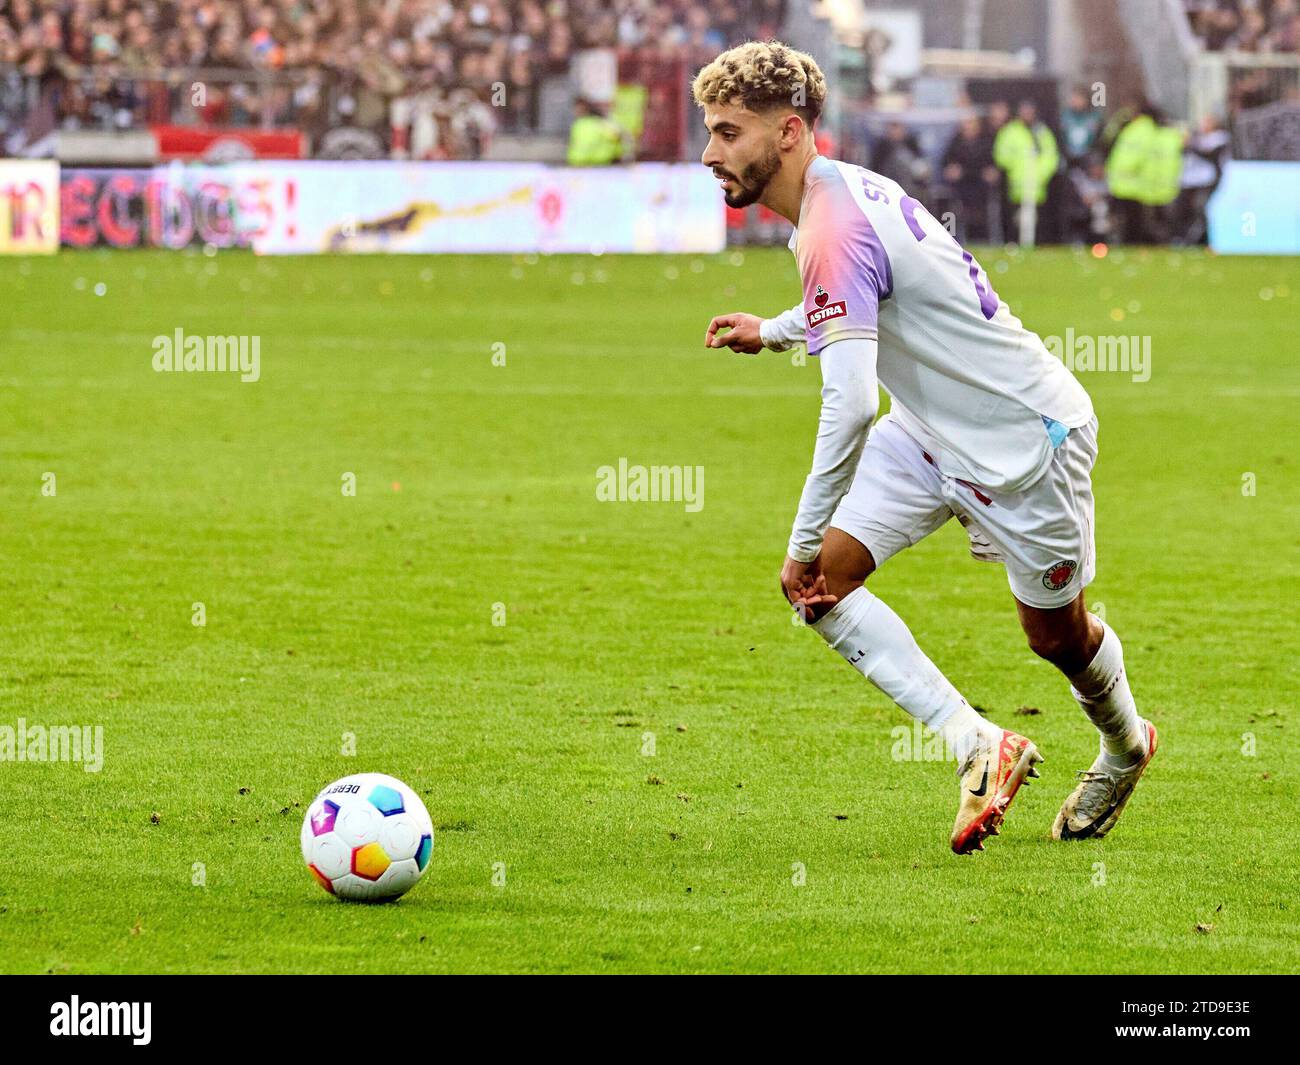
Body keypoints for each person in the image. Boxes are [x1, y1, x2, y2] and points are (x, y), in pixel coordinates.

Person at [694, 41, 1156, 854]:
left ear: (791, 133)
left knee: (1057, 638)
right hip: (929, 432)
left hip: (1027, 444)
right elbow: (855, 299)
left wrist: (802, 541)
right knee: (819, 590)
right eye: (710, 131)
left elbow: (847, 406)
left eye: (729, 132)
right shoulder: (837, 199)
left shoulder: (831, 223)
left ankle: (1125, 744)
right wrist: (770, 332)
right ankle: (978, 742)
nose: (710, 152)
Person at [993, 100, 1059, 243]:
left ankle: (1039, 246)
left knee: (1038, 222)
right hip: (1015, 187)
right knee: (1015, 222)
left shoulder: (1041, 132)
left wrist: (1041, 175)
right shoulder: (1010, 132)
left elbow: (1051, 156)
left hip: (1037, 188)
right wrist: (1014, 169)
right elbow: (1001, 156)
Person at [940, 114, 999, 242]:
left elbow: (993, 166)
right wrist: (951, 170)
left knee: (984, 204)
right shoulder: (955, 143)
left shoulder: (987, 142)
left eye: (971, 123)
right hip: (960, 188)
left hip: (981, 188)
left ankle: (986, 240)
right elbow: (946, 165)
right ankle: (953, 240)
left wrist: (992, 172)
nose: (968, 127)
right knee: (950, 207)